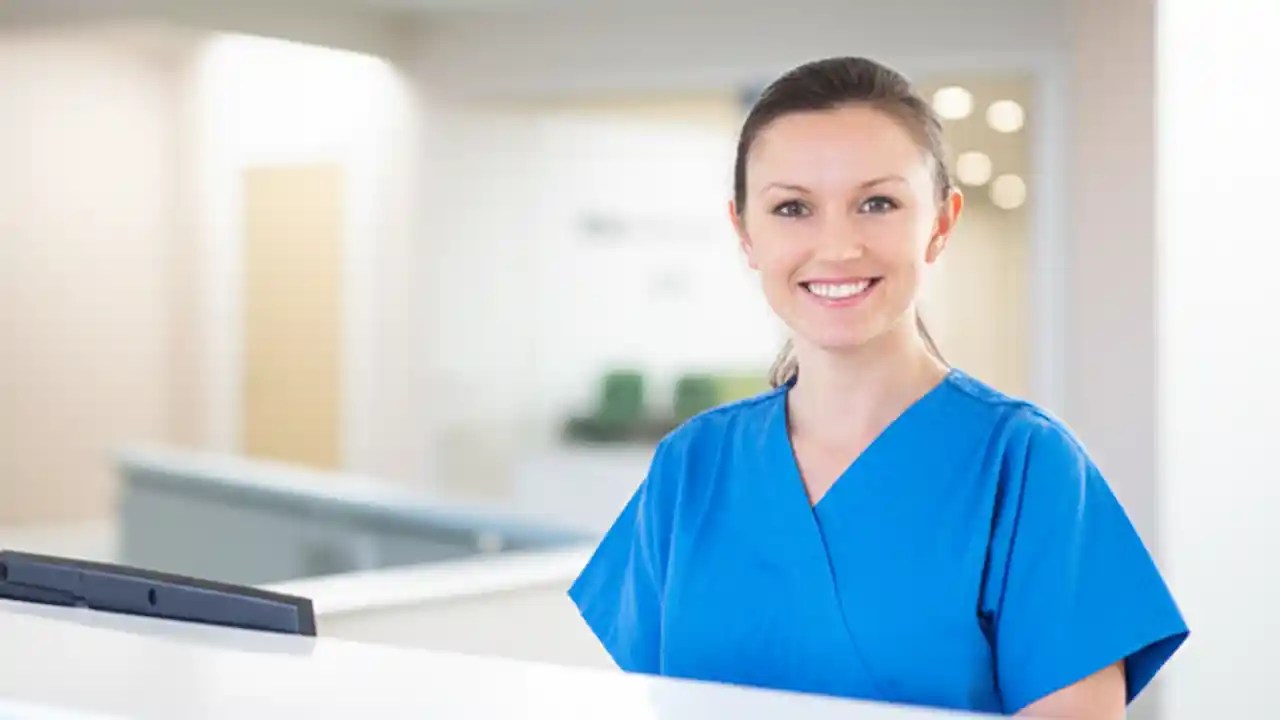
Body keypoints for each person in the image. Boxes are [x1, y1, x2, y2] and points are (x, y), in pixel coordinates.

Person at [567, 56, 1187, 718]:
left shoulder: (1027, 467)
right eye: (792, 207)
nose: (837, 246)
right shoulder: (692, 467)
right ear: (745, 233)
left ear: (942, 223)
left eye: (877, 203)